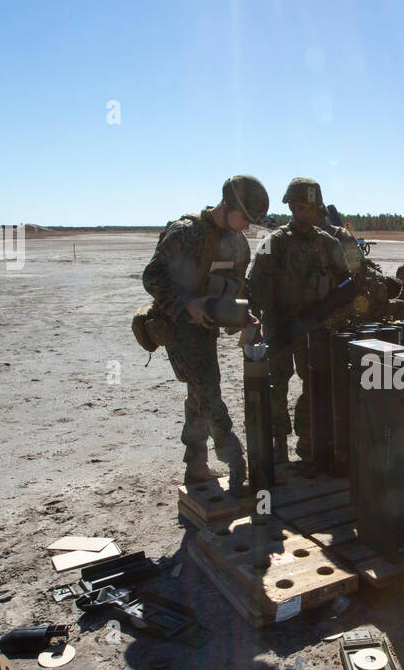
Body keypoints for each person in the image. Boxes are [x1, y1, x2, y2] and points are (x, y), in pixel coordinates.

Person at [143, 175, 268, 493]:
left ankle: (195, 466)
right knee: (208, 388)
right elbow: (152, 276)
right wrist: (187, 303)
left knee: (198, 394)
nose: (247, 228)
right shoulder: (187, 234)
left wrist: (246, 317)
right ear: (227, 205)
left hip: (207, 328)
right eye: (245, 219)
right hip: (179, 325)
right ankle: (234, 457)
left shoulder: (238, 244)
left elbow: (240, 289)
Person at [251, 177, 350, 465]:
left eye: (309, 207)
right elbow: (255, 286)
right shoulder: (275, 243)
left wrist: (329, 316)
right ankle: (279, 444)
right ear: (291, 206)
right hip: (280, 324)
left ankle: (307, 442)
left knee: (314, 384)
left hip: (315, 326)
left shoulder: (328, 243)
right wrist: (254, 321)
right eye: (298, 206)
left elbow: (346, 284)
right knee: (277, 385)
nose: (303, 212)